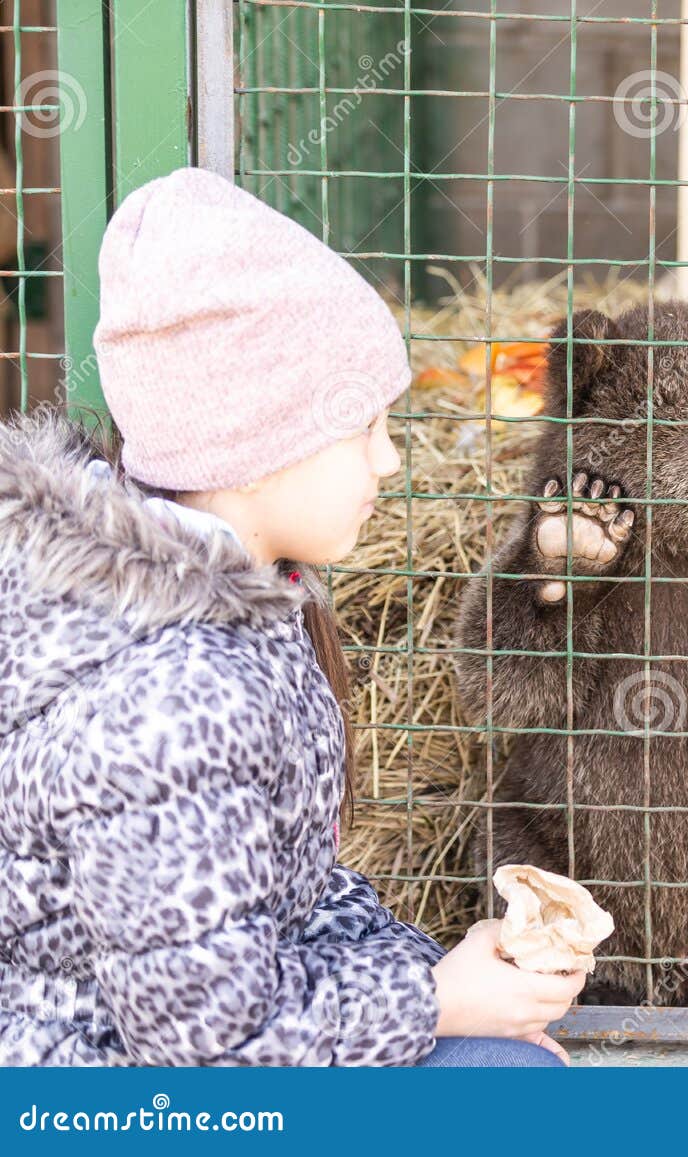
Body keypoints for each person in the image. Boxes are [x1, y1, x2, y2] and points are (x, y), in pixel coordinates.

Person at [0, 167, 583, 1067]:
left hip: (200, 1045)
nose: (390, 463)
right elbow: (202, 1040)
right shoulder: (171, 699)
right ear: (253, 449)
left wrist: (443, 975)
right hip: (99, 1082)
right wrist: (433, 1000)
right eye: (365, 428)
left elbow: (288, 896)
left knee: (513, 1066)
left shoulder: (251, 601)